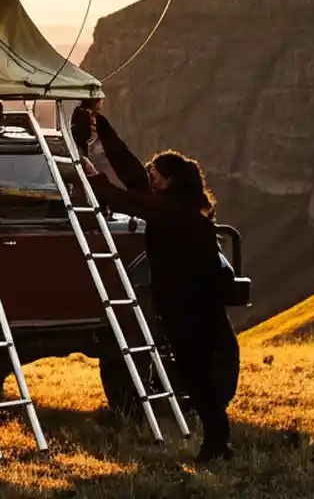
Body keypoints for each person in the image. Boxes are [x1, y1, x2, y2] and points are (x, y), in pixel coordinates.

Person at [85, 111, 238, 463]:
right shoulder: (179, 206)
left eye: (156, 174)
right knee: (195, 370)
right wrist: (103, 128)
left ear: (169, 181)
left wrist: (95, 180)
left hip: (192, 302)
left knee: (195, 372)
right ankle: (217, 441)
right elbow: (132, 173)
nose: (150, 177)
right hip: (190, 300)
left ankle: (217, 442)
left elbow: (129, 199)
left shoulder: (172, 211)